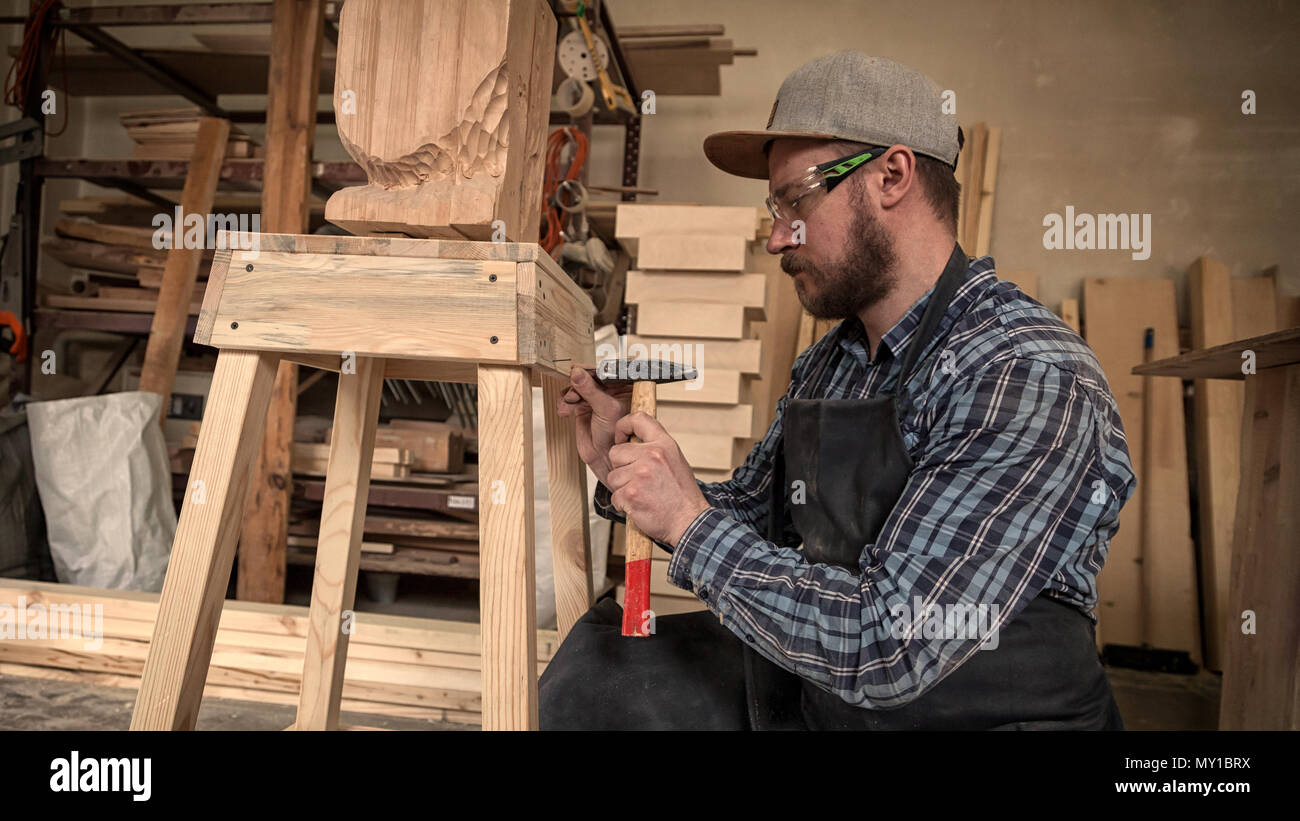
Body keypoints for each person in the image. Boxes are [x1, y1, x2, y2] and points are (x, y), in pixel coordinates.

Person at [539, 51, 1132, 730]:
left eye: (796, 199)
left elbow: (891, 643)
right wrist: (628, 463)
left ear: (892, 175)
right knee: (595, 684)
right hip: (833, 703)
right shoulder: (833, 362)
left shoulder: (1023, 371)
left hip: (975, 716)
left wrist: (686, 521)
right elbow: (756, 522)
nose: (775, 237)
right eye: (773, 207)